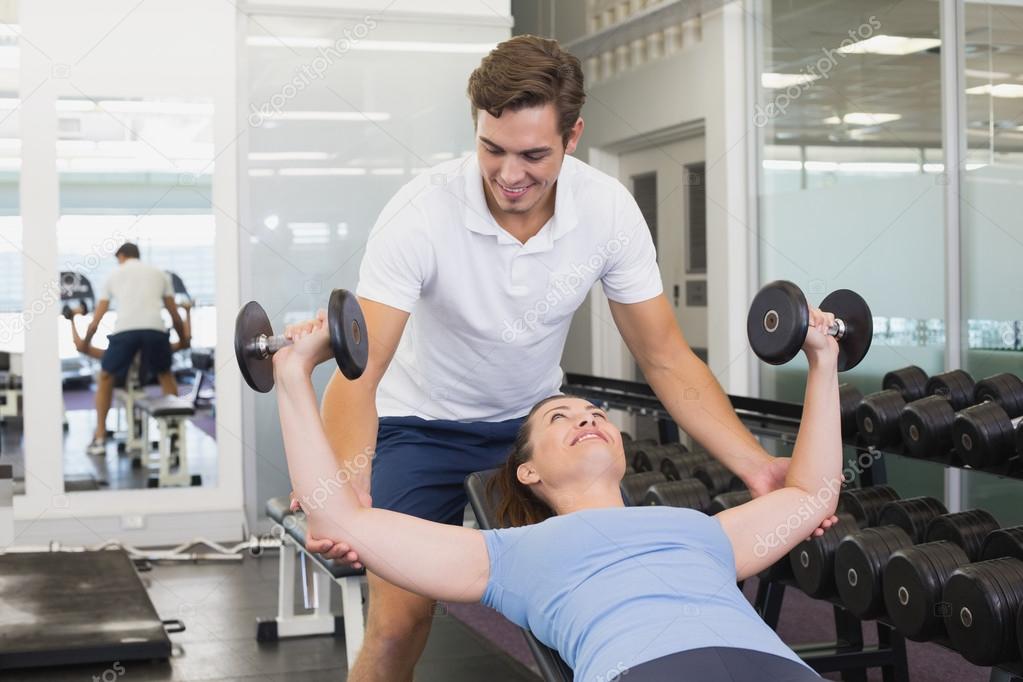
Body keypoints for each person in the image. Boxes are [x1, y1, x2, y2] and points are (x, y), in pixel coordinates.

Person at [306, 35, 831, 680]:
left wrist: (755, 465)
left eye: (533, 155)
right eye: (492, 149)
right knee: (398, 624)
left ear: (573, 136)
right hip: (422, 426)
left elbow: (665, 357)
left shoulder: (606, 209)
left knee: (599, 588)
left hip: (531, 430)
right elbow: (361, 371)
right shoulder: (420, 212)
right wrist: (346, 489)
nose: (509, 174)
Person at [274, 306, 841, 681]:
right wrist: (292, 375)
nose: (587, 418)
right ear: (528, 472)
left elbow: (814, 493)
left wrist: (823, 359)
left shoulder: (704, 529)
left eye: (595, 413)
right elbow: (337, 520)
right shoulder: (512, 555)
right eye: (559, 418)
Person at [82, 243, 189, 456]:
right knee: (165, 374)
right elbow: (175, 315)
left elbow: (96, 320)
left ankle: (100, 437)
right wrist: (184, 339)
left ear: (122, 256)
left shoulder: (113, 275)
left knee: (105, 376)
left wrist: (85, 343)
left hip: (125, 331)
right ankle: (175, 435)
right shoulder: (159, 274)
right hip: (155, 330)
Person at [67, 299, 192, 359]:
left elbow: (186, 342)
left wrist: (72, 319)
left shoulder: (156, 350)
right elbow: (186, 341)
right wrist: (187, 312)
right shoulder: (118, 353)